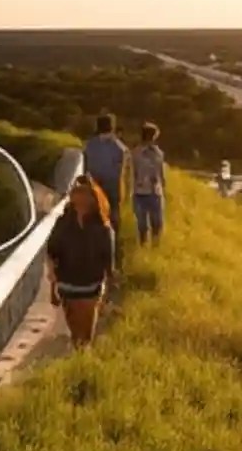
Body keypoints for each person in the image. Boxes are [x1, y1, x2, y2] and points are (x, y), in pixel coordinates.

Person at [45, 175, 116, 349]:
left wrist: (109, 286)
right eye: (77, 193)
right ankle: (79, 365)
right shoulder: (63, 223)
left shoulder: (102, 228)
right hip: (67, 285)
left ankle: (83, 366)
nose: (81, 198)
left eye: (85, 194)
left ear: (93, 198)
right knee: (76, 334)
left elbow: (108, 261)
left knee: (86, 334)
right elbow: (51, 251)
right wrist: (52, 282)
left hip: (91, 285)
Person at [83, 113, 128, 236]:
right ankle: (112, 244)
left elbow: (85, 167)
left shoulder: (89, 145)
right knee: (113, 219)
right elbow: (121, 172)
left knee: (93, 218)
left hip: (94, 186)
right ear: (112, 127)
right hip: (112, 187)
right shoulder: (119, 148)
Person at [130, 122, 167, 246]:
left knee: (157, 223)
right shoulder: (136, 153)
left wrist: (163, 188)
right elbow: (132, 173)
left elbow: (161, 173)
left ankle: (155, 247)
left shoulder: (159, 153)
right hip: (140, 192)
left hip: (155, 192)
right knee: (142, 226)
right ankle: (143, 247)